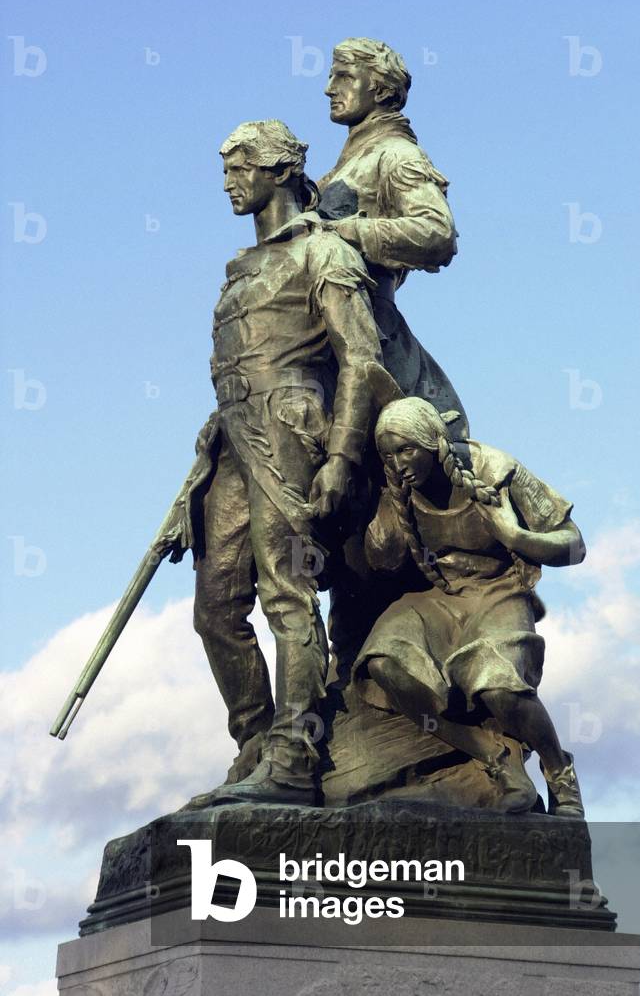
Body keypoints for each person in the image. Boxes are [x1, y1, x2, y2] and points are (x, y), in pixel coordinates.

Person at [187, 120, 382, 806]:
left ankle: (295, 758)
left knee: (287, 592)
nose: (228, 181)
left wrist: (342, 455)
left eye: (240, 166)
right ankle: (254, 744)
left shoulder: (323, 252)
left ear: (279, 170)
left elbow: (361, 358)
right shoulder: (243, 267)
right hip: (232, 444)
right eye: (226, 167)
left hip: (294, 433)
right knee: (215, 609)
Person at [353, 385, 586, 817]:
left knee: (498, 684)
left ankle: (559, 771)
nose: (398, 464)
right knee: (384, 662)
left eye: (406, 451)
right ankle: (495, 758)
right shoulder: (397, 490)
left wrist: (516, 536)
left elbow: (574, 545)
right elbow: (382, 560)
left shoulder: (496, 469)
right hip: (441, 598)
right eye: (389, 456)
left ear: (433, 442)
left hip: (500, 592)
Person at [319, 36, 467, 430]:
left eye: (344, 77)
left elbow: (437, 232)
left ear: (381, 90)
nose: (329, 88)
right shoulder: (337, 170)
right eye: (332, 77)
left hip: (371, 328)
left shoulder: (397, 154)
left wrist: (348, 231)